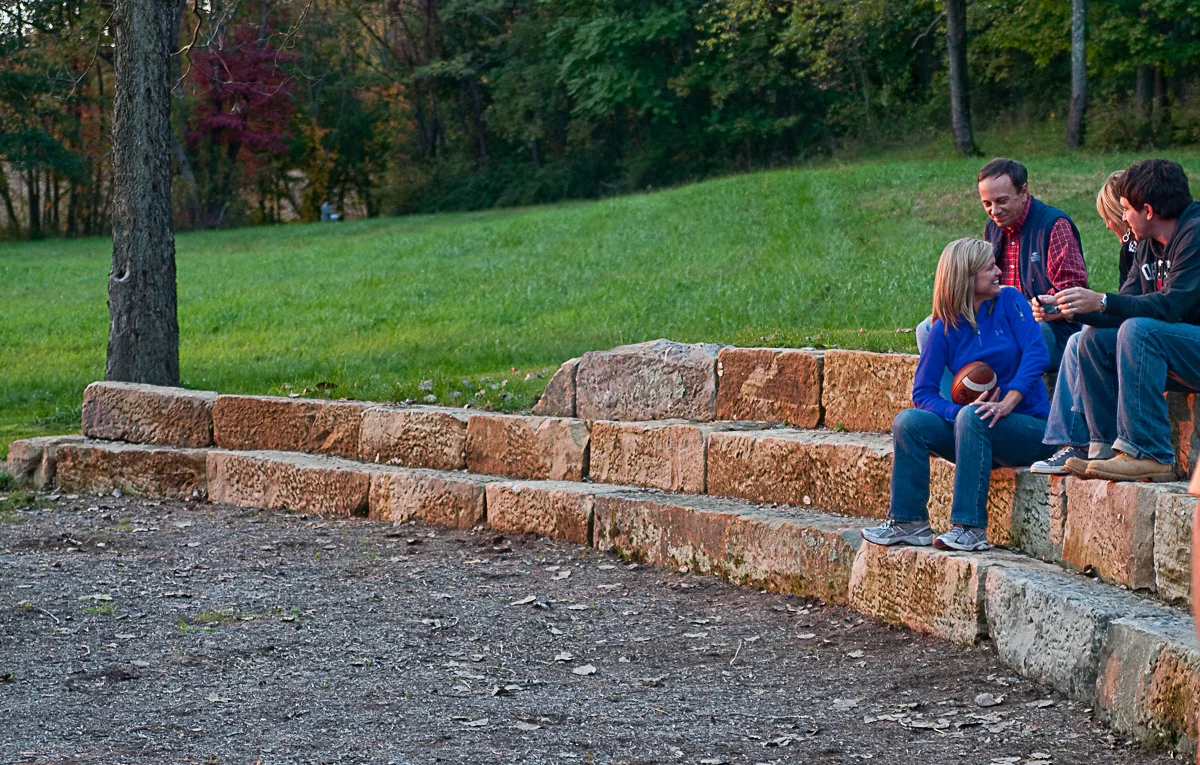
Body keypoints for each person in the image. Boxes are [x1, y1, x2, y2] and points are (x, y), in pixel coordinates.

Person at [863, 238, 1056, 551]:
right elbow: (923, 392)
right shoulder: (944, 326)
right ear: (967, 277)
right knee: (908, 422)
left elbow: (1037, 352)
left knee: (972, 417)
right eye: (989, 267)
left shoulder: (1010, 300)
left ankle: (970, 528)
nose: (999, 271)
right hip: (974, 430)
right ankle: (909, 521)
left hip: (1029, 428)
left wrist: (1009, 401)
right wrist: (956, 414)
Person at [1052, 159, 1200, 482]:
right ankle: (1105, 450)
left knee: (1139, 331)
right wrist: (1069, 308)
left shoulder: (1195, 233)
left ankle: (1149, 453)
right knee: (1093, 337)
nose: (1121, 218)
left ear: (1148, 210)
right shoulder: (1147, 243)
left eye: (1126, 209)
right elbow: (1122, 305)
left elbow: (1171, 306)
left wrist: (1102, 300)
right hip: (1178, 349)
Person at [916, 158, 1088, 375]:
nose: (994, 211)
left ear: (1024, 191)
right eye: (986, 203)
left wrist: (1044, 305)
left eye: (1002, 201)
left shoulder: (1054, 226)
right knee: (927, 329)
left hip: (1051, 331)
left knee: (1030, 332)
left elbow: (1073, 293)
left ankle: (989, 390)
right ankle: (952, 399)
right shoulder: (992, 229)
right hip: (998, 324)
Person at [1030, 171, 1140, 473]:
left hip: (1150, 334)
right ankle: (1078, 443)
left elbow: (1133, 306)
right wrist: (1070, 308)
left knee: (1082, 339)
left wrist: (1084, 308)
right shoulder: (1130, 250)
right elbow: (1126, 302)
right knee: (1083, 336)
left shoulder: (1144, 247)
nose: (1106, 225)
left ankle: (1080, 443)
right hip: (1136, 327)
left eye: (1109, 217)